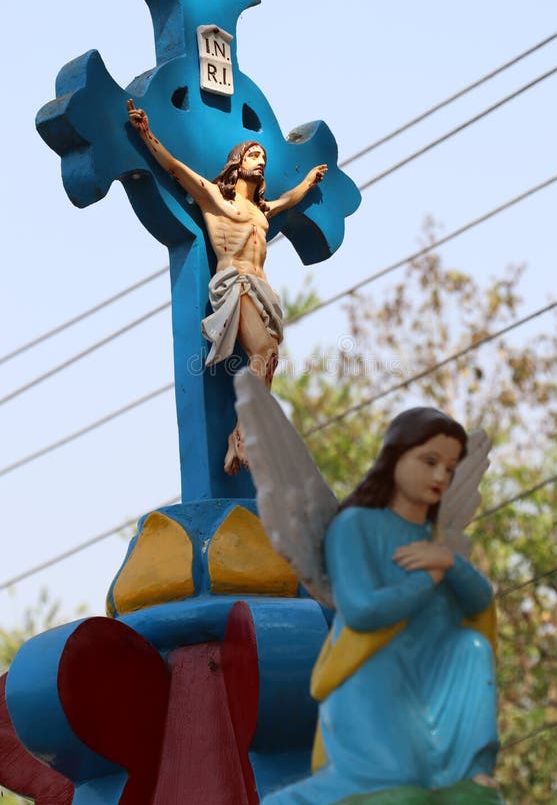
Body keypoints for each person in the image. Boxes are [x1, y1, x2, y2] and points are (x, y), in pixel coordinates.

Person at [263, 407, 501, 804]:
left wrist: (450, 562)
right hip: (373, 673)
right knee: (401, 791)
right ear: (396, 457)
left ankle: (470, 771)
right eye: (429, 462)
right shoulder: (353, 526)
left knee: (471, 648)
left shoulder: (433, 537)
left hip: (430, 668)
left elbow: (480, 602)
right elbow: (361, 611)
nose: (442, 476)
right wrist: (425, 580)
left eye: (450, 467)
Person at [127, 100, 327, 474]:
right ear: (238, 162)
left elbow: (289, 201)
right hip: (234, 283)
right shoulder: (217, 200)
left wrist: (308, 182)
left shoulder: (260, 212)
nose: (260, 159)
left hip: (260, 287)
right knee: (264, 351)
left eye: (262, 156)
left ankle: (241, 436)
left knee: (268, 360)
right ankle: (244, 435)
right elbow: (174, 168)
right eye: (253, 153)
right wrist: (146, 133)